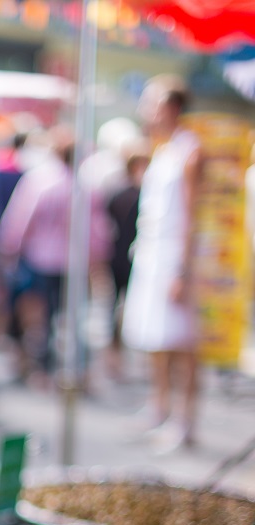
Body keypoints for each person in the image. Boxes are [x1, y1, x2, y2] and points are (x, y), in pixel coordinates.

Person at [0, 126, 111, 383]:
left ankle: (42, 367)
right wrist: (97, 260)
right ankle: (72, 369)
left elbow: (20, 220)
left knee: (41, 317)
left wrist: (9, 248)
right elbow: (97, 230)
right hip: (72, 262)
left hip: (42, 260)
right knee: (71, 316)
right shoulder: (84, 186)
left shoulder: (42, 181)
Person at [122, 78, 202, 449]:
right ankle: (161, 406)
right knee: (157, 338)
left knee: (181, 343)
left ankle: (185, 420)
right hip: (154, 253)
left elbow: (193, 214)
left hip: (172, 257)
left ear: (171, 108)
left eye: (153, 103)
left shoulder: (189, 150)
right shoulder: (164, 149)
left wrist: (182, 269)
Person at [106, 143, 150, 378]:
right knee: (117, 306)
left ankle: (127, 355)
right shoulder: (129, 195)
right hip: (124, 257)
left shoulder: (131, 194)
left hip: (129, 256)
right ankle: (116, 355)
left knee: (126, 306)